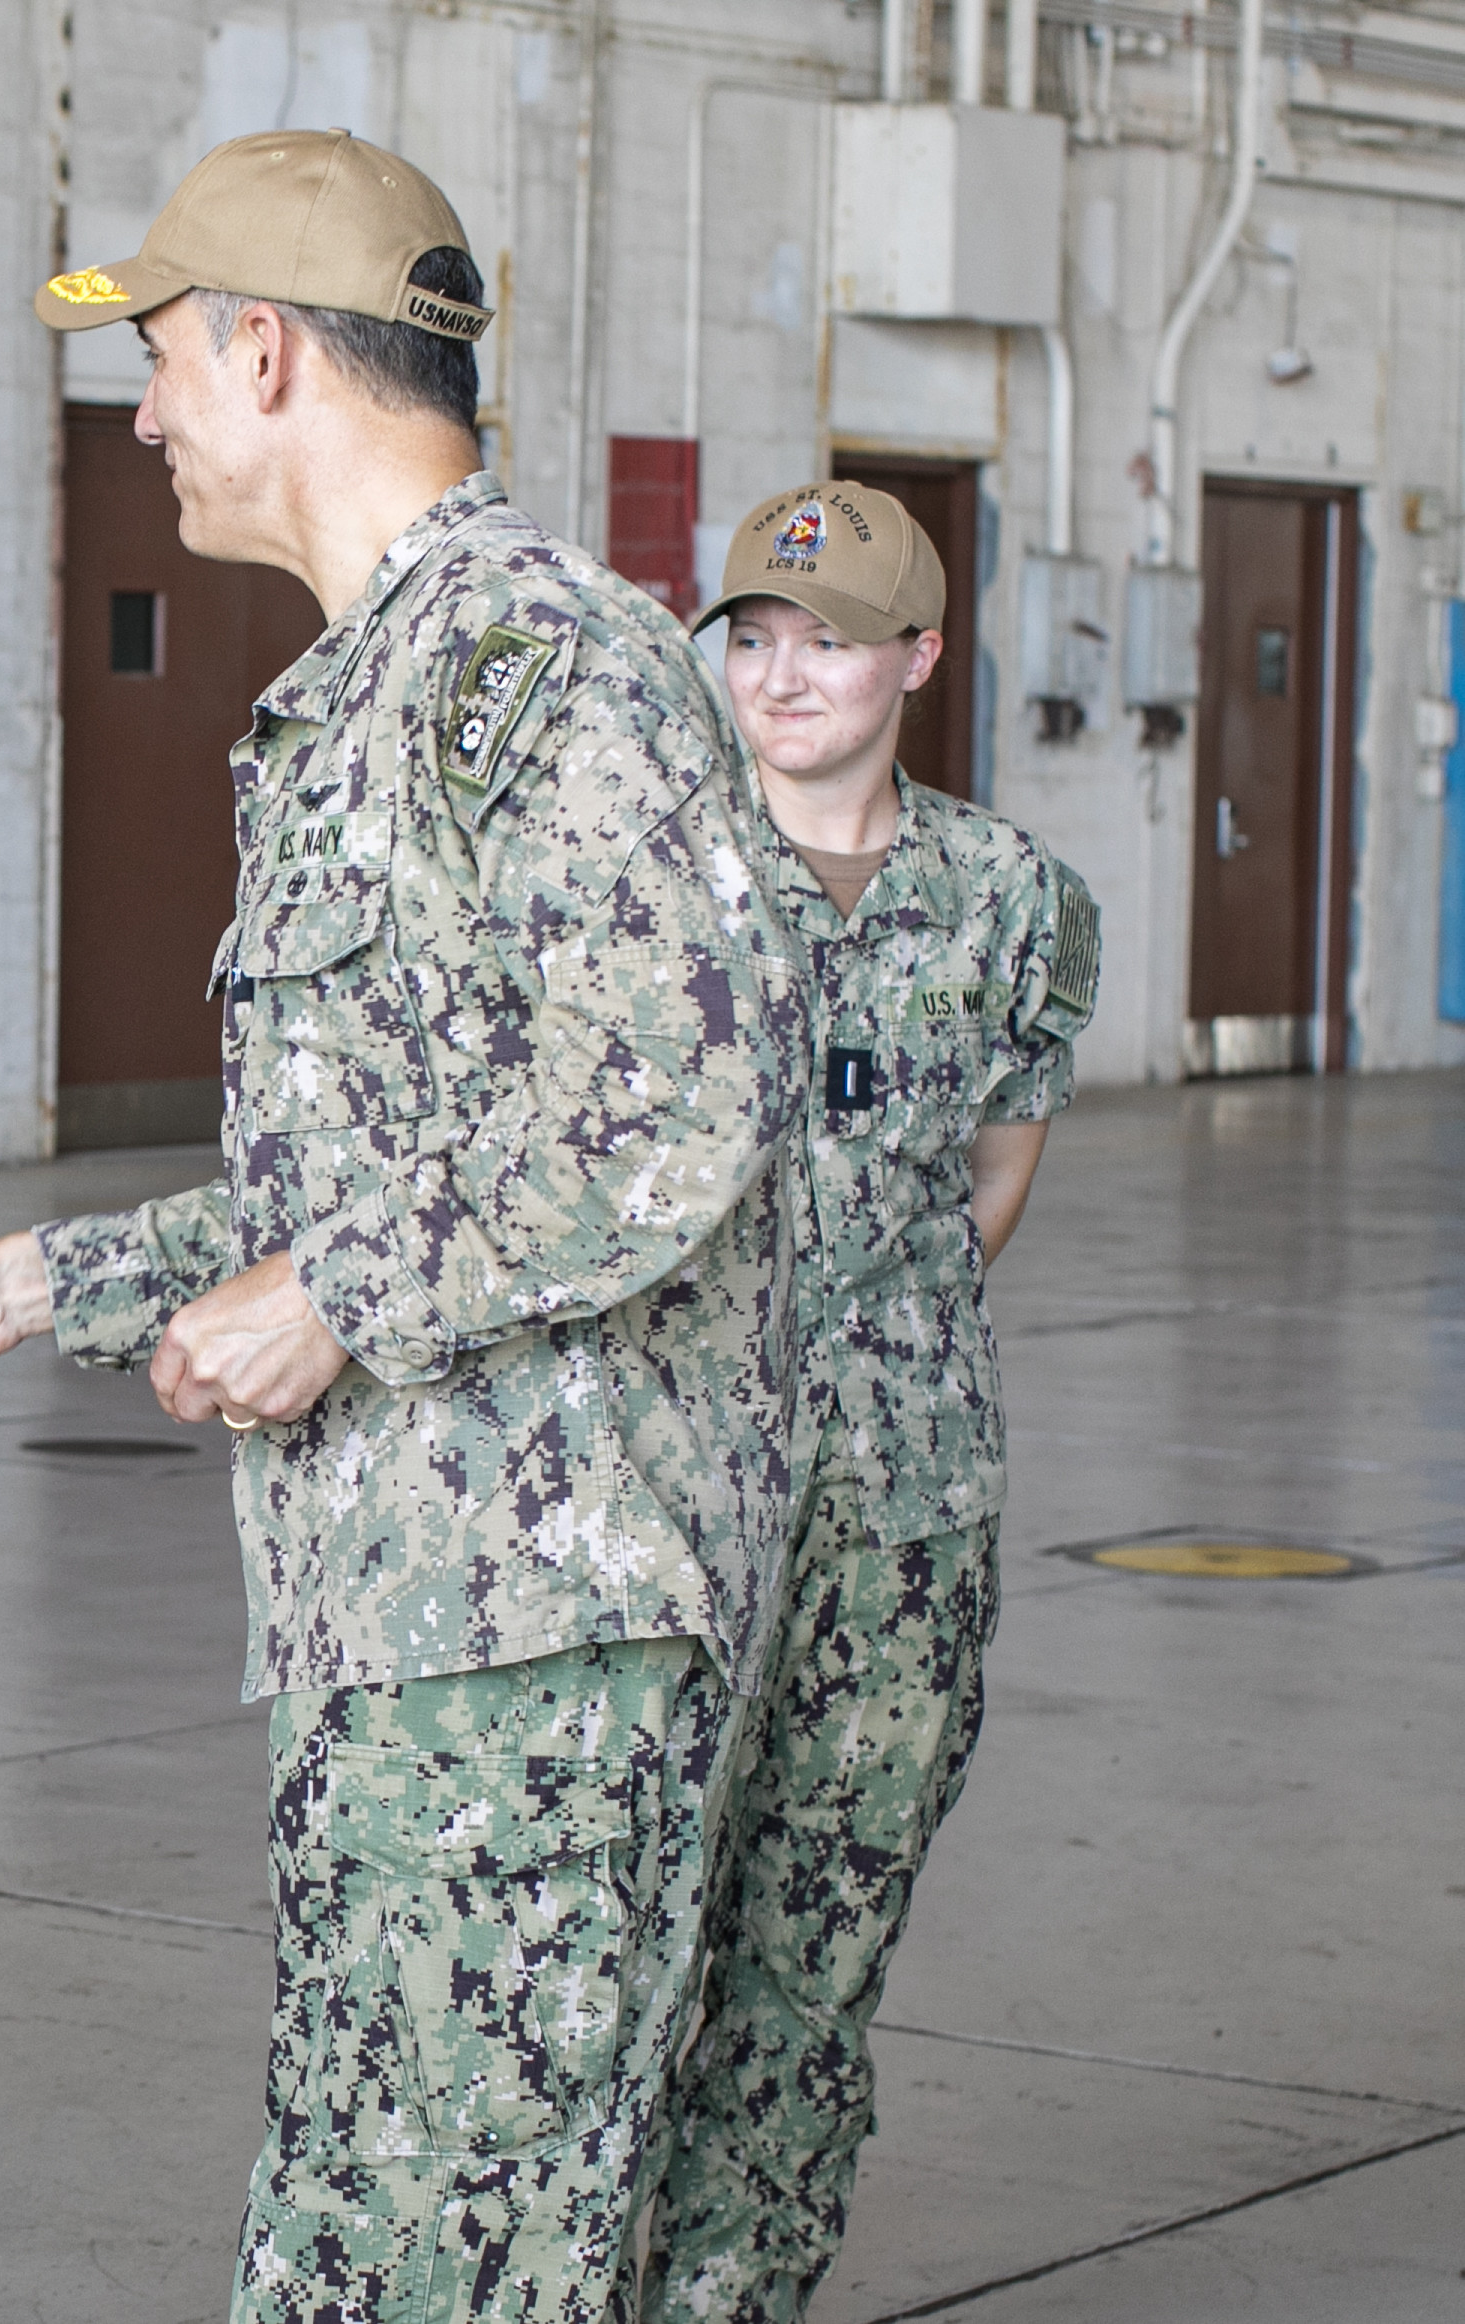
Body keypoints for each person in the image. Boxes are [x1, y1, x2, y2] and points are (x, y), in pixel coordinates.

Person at [0, 130, 809, 2320]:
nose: (146, 410)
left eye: (162, 357)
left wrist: (342, 1299)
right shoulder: (360, 691)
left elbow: (674, 1090)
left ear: (263, 350)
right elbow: (338, 1195)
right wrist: (27, 1281)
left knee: (461, 2246)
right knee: (375, 2225)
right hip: (411, 1612)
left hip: (537, 1626)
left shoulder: (537, 660)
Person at [642, 486, 1096, 2324]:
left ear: (915, 657)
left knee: (811, 1964)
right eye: (750, 636)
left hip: (901, 1526)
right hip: (662, 1511)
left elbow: (991, 1182)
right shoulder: (647, 878)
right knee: (618, 1958)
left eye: (823, 637)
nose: (779, 673)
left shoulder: (1008, 906)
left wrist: (858, 1350)